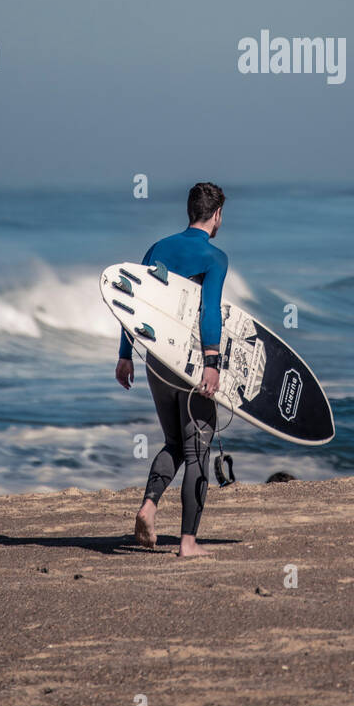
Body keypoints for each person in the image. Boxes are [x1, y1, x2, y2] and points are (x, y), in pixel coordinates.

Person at [115, 182, 227, 559]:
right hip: (192, 365)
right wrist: (212, 363)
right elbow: (208, 311)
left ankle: (149, 506)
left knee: (175, 444)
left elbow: (132, 300)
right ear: (216, 216)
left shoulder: (157, 248)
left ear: (189, 211)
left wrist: (125, 354)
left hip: (157, 364)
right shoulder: (214, 258)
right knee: (197, 450)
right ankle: (188, 543)